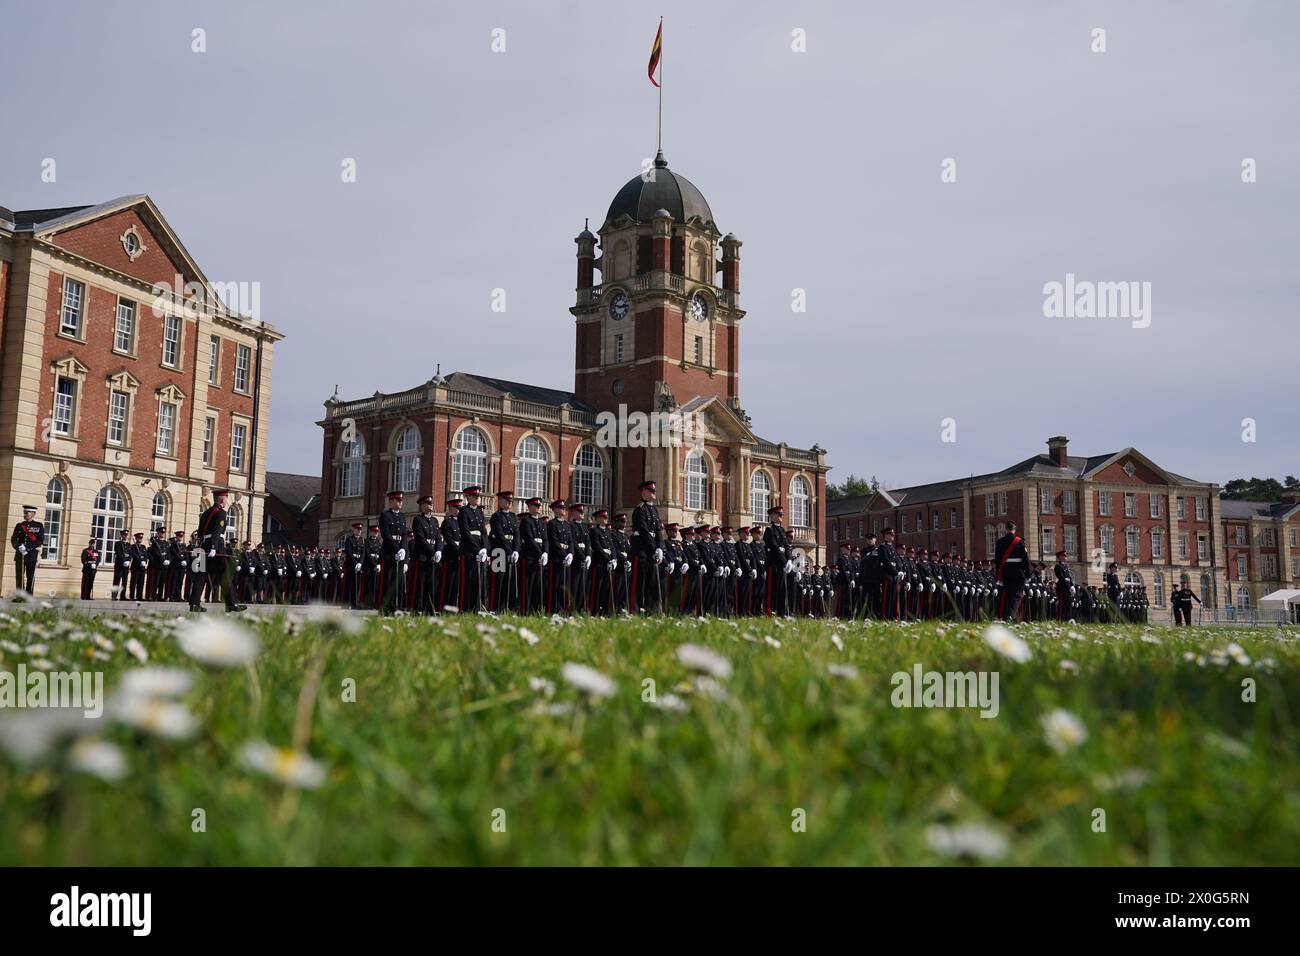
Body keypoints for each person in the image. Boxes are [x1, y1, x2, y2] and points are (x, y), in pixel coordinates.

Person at [196, 488, 245, 612]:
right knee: (225, 575)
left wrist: (205, 545)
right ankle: (231, 604)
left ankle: (194, 604)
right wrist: (213, 546)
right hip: (217, 546)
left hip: (204, 545)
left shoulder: (206, 513)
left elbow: (200, 532)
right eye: (226, 498)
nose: (226, 501)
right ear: (222, 499)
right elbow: (217, 531)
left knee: (201, 574)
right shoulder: (221, 513)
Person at [629, 480, 665, 613]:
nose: (654, 493)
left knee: (652, 583)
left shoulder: (654, 510)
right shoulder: (640, 510)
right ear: (644, 492)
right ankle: (637, 609)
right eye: (651, 491)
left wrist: (660, 547)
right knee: (640, 583)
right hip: (642, 551)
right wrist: (654, 548)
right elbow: (644, 532)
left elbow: (658, 531)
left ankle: (651, 609)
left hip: (651, 552)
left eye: (654, 490)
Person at [410, 495, 443, 614]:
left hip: (433, 557)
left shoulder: (434, 521)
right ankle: (419, 609)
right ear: (422, 505)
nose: (431, 505)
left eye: (431, 503)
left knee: (432, 584)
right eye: (428, 503)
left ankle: (430, 609)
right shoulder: (418, 520)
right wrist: (433, 552)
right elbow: (420, 538)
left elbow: (438, 538)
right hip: (423, 556)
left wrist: (439, 550)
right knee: (421, 583)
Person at [378, 490, 409, 614]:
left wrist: (403, 549)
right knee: (389, 581)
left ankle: (399, 606)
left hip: (400, 553)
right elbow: (386, 535)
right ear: (391, 501)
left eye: (401, 500)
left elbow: (404, 535)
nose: (400, 502)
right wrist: (397, 549)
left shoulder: (402, 516)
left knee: (399, 582)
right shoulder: (385, 515)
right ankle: (387, 608)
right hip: (390, 553)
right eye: (398, 500)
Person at [488, 491, 519, 612]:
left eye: (510, 501)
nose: (509, 502)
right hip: (499, 550)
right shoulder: (496, 516)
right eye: (507, 500)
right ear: (500, 501)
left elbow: (516, 534)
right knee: (498, 581)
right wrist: (510, 550)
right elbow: (500, 535)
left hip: (510, 551)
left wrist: (516, 550)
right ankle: (495, 608)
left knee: (509, 581)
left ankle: (506, 608)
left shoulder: (513, 516)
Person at [993, 520, 1031, 620]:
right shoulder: (1020, 541)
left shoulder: (1000, 542)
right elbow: (1025, 560)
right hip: (1018, 572)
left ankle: (1006, 616)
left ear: (1006, 529)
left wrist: (998, 575)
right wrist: (1028, 574)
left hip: (1005, 572)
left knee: (1008, 594)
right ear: (1015, 529)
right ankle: (1010, 615)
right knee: (1016, 595)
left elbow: (998, 561)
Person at [458, 486, 488, 612]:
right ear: (468, 497)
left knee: (479, 581)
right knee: (468, 580)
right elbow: (465, 532)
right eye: (474, 496)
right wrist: (477, 550)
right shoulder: (464, 511)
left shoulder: (480, 512)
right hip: (469, 551)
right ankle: (465, 608)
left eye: (478, 496)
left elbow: (483, 532)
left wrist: (485, 548)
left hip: (480, 551)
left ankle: (477, 607)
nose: (477, 498)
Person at [10, 504, 43, 595]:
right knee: (19, 576)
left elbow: (40, 541)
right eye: (24, 512)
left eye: (27, 512)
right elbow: (13, 538)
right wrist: (18, 546)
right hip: (20, 554)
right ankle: (20, 596)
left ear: (33, 514)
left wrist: (27, 548)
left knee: (30, 576)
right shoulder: (19, 525)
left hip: (31, 554)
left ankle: (28, 596)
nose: (25, 514)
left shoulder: (38, 526)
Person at [763, 506, 790, 616]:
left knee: (782, 590)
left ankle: (781, 613)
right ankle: (770, 611)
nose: (781, 516)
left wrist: (789, 561)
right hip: (773, 564)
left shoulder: (782, 530)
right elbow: (774, 547)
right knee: (772, 589)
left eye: (781, 514)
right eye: (778, 514)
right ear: (772, 516)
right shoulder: (769, 530)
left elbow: (786, 546)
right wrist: (784, 561)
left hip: (782, 565)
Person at [439, 498, 464, 611]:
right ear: (451, 508)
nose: (459, 510)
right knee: (448, 584)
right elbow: (449, 539)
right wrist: (459, 551)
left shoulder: (462, 522)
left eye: (460, 508)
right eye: (457, 508)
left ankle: (454, 607)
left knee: (456, 585)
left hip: (460, 556)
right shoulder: (447, 522)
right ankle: (444, 607)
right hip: (450, 556)